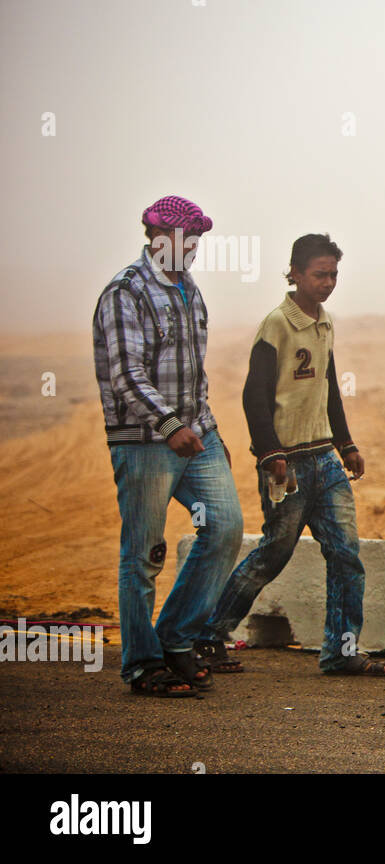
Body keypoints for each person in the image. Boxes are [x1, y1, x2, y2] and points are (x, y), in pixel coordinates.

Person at [196, 234, 385, 676]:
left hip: (324, 459)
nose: (328, 283)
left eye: (334, 274)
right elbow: (254, 396)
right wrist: (270, 453)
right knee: (273, 552)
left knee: (346, 556)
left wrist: (348, 445)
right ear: (296, 274)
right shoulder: (276, 325)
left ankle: (340, 652)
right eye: (320, 274)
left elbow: (329, 389)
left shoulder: (326, 323)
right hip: (288, 466)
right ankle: (208, 635)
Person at [93, 195, 244, 696]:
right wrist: (169, 423)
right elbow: (126, 377)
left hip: (196, 434)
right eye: (187, 239)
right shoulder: (125, 292)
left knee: (224, 528)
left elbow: (194, 374)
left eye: (197, 240)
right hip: (144, 443)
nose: (195, 248)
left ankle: (176, 639)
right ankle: (141, 664)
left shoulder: (189, 291)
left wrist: (207, 429)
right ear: (158, 238)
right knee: (143, 555)